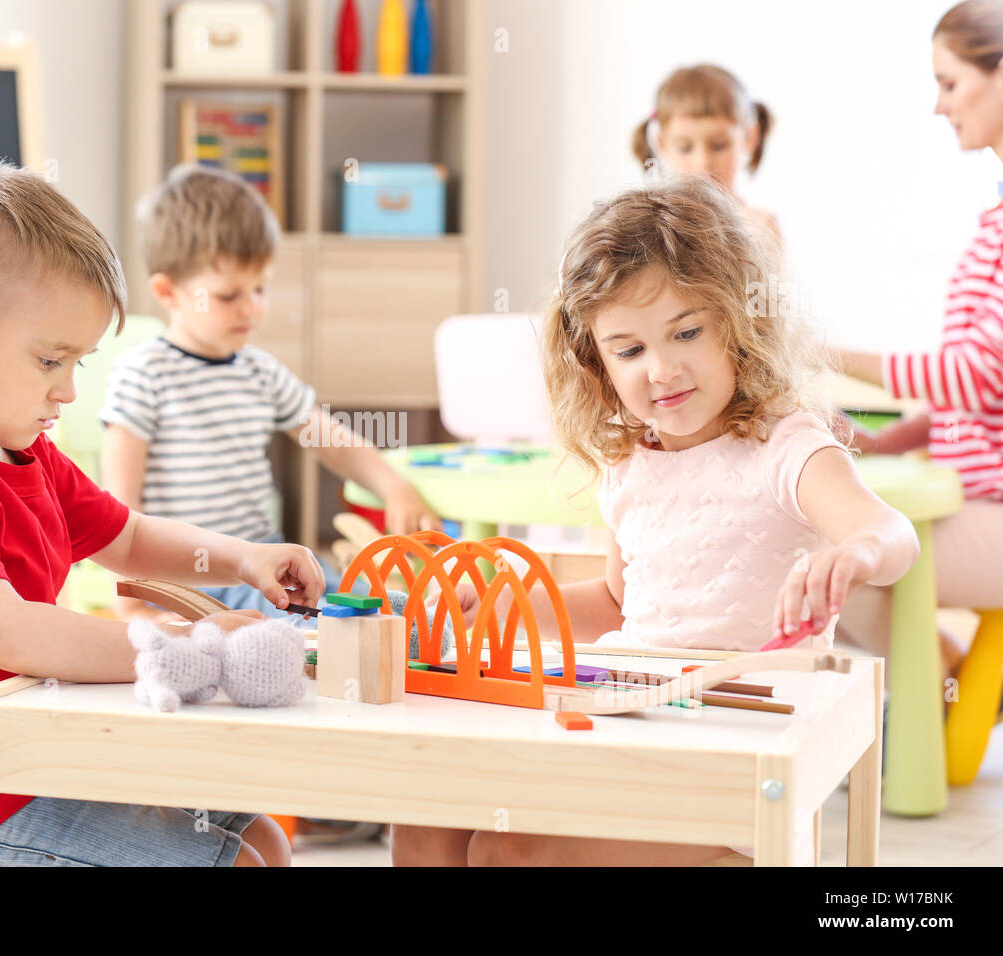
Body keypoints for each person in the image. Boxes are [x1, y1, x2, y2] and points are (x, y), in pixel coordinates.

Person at [391, 176, 920, 866]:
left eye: (687, 332)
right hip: (639, 722)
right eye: (630, 350)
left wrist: (855, 555)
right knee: (425, 819)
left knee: (508, 850)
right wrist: (503, 605)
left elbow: (892, 533)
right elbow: (619, 601)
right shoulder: (629, 462)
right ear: (595, 361)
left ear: (739, 320)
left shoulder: (786, 446)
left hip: (738, 760)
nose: (662, 370)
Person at [0, 160, 325, 866]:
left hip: (25, 758)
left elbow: (130, 538)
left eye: (77, 366)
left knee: (260, 838)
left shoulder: (18, 449)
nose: (65, 392)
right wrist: (181, 648)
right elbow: (6, 632)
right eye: (49, 360)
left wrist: (243, 556)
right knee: (234, 862)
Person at [100, 163, 440, 623]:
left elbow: (330, 441)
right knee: (336, 626)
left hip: (262, 568)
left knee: (372, 605)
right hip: (188, 580)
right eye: (228, 295)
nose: (251, 307)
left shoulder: (259, 371)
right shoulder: (145, 373)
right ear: (168, 292)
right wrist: (133, 605)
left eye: (259, 288)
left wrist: (392, 485)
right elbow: (121, 504)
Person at [831, 0, 1003, 677]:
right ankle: (945, 679)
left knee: (823, 539)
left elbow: (982, 373)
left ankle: (940, 676)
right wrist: (888, 440)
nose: (938, 106)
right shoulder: (995, 214)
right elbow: (982, 396)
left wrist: (825, 354)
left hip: (992, 511)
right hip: (977, 498)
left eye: (950, 83)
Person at [633, 63, 781, 247]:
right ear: (661, 144)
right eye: (685, 148)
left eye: (719, 146)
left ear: (750, 138)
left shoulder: (760, 229)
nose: (703, 162)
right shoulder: (652, 230)